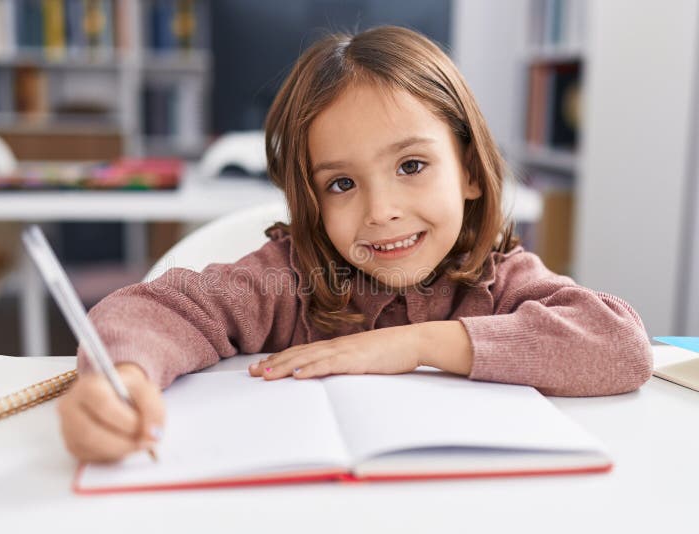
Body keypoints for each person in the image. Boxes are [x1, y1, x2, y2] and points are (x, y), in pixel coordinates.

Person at [58, 26, 652, 462]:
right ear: (312, 200)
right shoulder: (288, 279)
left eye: (412, 165)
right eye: (341, 183)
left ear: (470, 171)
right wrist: (126, 379)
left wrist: (417, 343)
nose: (381, 211)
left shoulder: (501, 280)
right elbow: (156, 310)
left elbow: (621, 346)